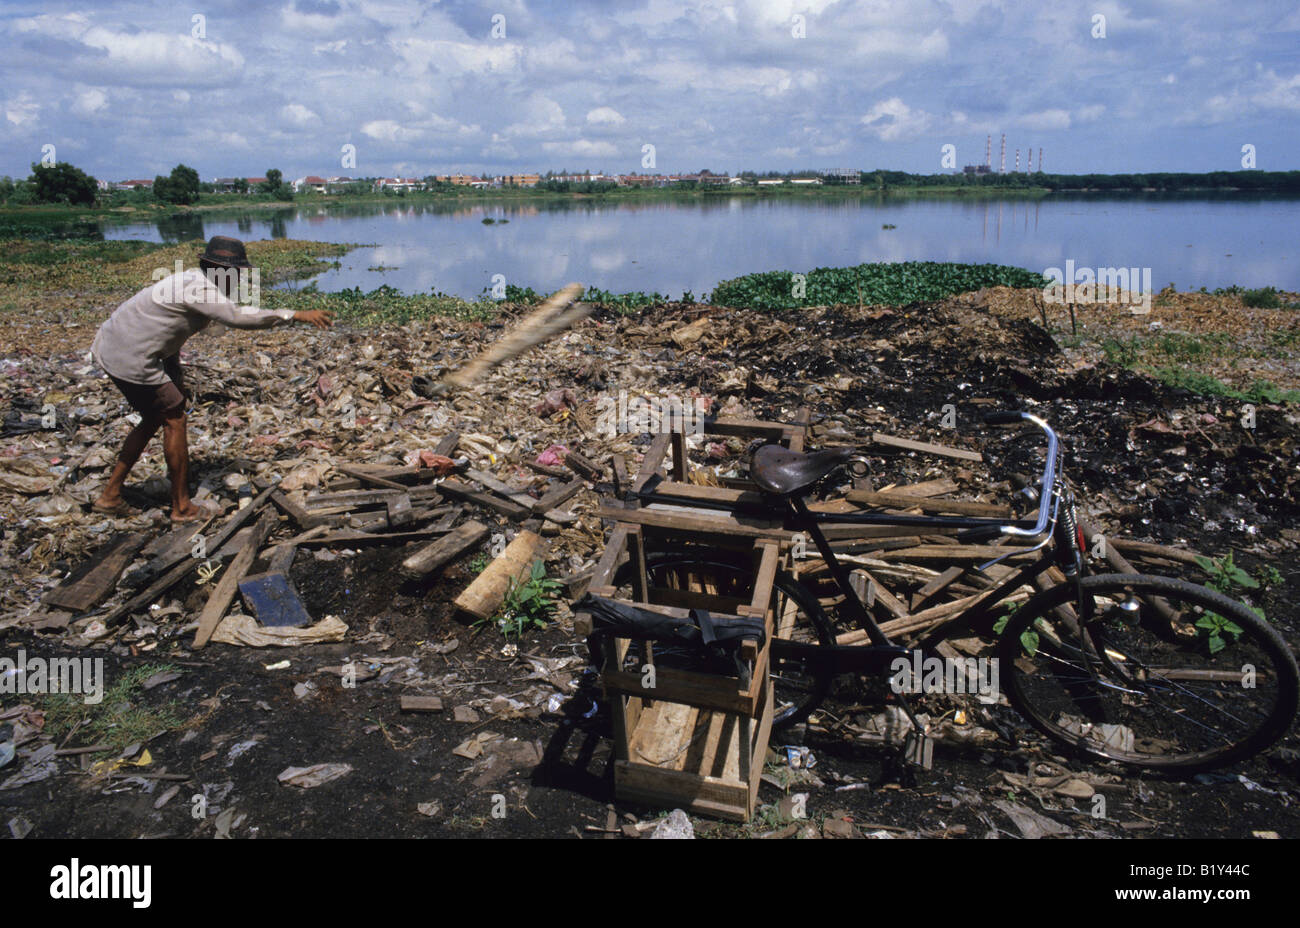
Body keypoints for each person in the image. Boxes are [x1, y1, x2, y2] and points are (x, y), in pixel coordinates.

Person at [90, 235, 333, 523]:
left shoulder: (190, 280)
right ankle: (181, 507)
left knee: (155, 417)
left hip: (115, 344)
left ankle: (110, 495)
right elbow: (238, 317)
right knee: (174, 419)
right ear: (223, 271)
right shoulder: (201, 290)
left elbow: (165, 329)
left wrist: (174, 372)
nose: (238, 279)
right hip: (129, 356)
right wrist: (294, 314)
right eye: (236, 273)